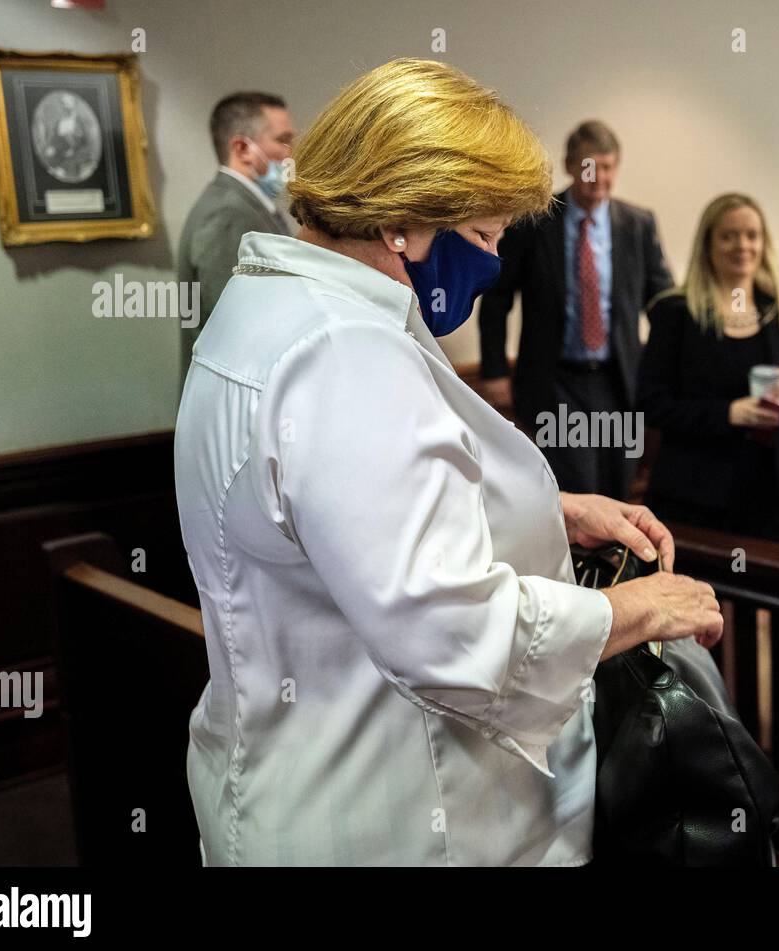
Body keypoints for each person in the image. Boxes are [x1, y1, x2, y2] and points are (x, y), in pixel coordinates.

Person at [173, 59, 723, 867]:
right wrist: (643, 608)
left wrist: (550, 510)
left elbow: (336, 516)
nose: (498, 259)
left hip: (281, 772)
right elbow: (456, 634)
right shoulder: (345, 353)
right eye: (489, 234)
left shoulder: (268, 302)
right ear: (408, 220)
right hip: (392, 811)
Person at [477, 121, 674, 499]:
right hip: (557, 383)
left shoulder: (637, 225)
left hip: (618, 382)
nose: (598, 177)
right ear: (569, 165)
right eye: (589, 166)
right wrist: (495, 371)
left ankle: (618, 561)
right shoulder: (534, 222)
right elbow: (497, 299)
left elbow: (662, 302)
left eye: (607, 167)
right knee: (577, 488)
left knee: (619, 487)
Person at [637, 193, 779, 545]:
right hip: (695, 488)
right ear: (708, 244)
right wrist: (728, 413)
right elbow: (651, 403)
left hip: (771, 487)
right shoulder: (675, 312)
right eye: (728, 236)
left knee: (769, 589)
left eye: (752, 235)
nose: (742, 246)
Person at [177, 92, 296, 382]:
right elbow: (234, 327)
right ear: (243, 148)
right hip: (238, 398)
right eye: (283, 140)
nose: (291, 152)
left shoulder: (252, 205)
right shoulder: (227, 214)